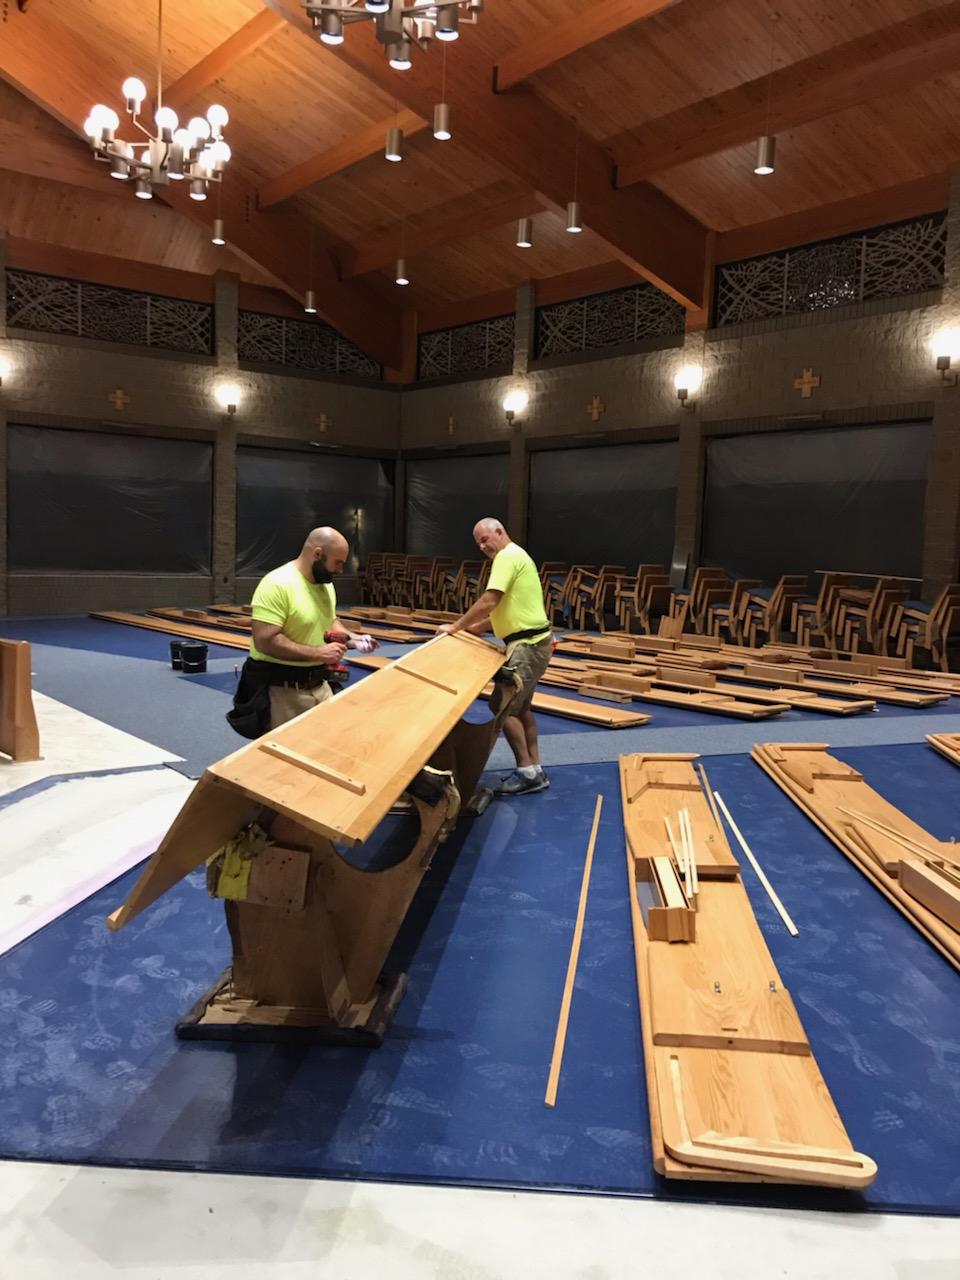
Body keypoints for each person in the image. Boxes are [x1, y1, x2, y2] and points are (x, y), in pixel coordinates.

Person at [438, 518, 552, 796]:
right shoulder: (518, 555)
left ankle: (526, 771)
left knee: (502, 706)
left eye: (485, 539)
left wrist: (455, 627)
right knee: (522, 708)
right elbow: (503, 611)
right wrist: (474, 629)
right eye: (478, 542)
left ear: (500, 532)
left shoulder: (506, 557)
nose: (482, 546)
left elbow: (490, 600)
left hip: (525, 645)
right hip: (536, 642)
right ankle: (535, 769)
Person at [228, 526, 377, 735]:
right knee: (284, 758)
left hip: (320, 684)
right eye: (338, 562)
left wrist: (353, 639)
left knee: (327, 747)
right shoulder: (277, 584)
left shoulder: (325, 585)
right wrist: (317, 653)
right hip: (283, 692)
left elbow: (330, 620)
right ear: (317, 554)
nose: (340, 570)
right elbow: (265, 640)